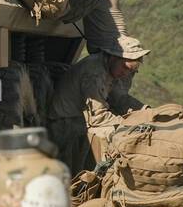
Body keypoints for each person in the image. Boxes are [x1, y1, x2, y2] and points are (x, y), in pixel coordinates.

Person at [46, 36, 149, 172]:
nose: (125, 73)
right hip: (64, 125)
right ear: (113, 57)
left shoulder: (110, 68)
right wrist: (131, 123)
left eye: (130, 71)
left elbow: (119, 98)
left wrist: (145, 112)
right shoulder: (94, 73)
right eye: (125, 67)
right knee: (116, 136)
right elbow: (98, 118)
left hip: (77, 120)